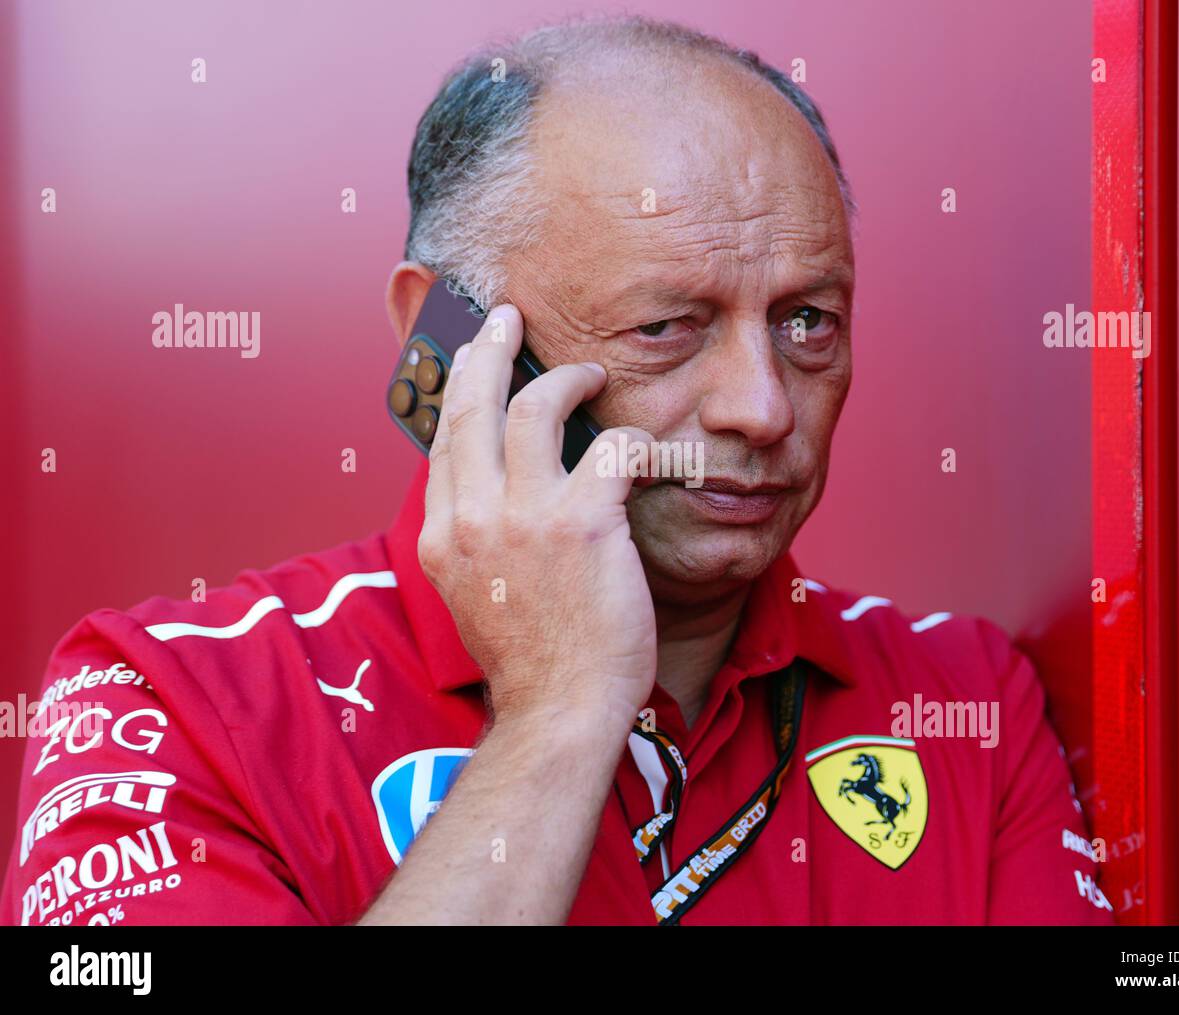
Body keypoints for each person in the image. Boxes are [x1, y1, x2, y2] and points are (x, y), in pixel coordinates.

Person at [2, 16, 1112, 926]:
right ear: (447, 336)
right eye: (667, 327)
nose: (763, 407)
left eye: (808, 320)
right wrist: (556, 712)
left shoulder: (961, 700)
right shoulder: (175, 704)